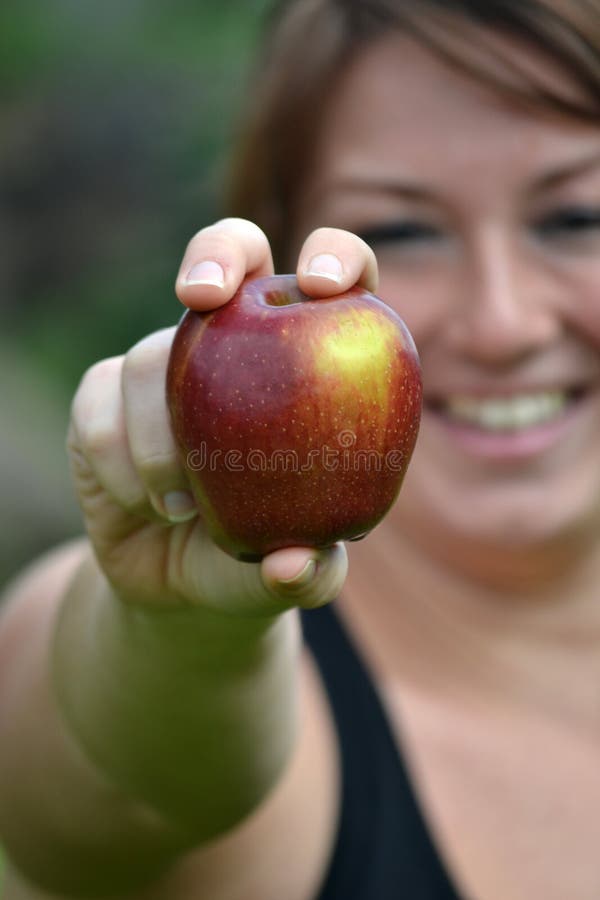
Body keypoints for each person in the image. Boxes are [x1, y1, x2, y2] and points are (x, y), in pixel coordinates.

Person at [1, 0, 600, 896]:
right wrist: (178, 628)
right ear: (290, 245)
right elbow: (108, 783)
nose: (503, 323)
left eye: (575, 219)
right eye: (404, 231)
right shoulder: (262, 695)